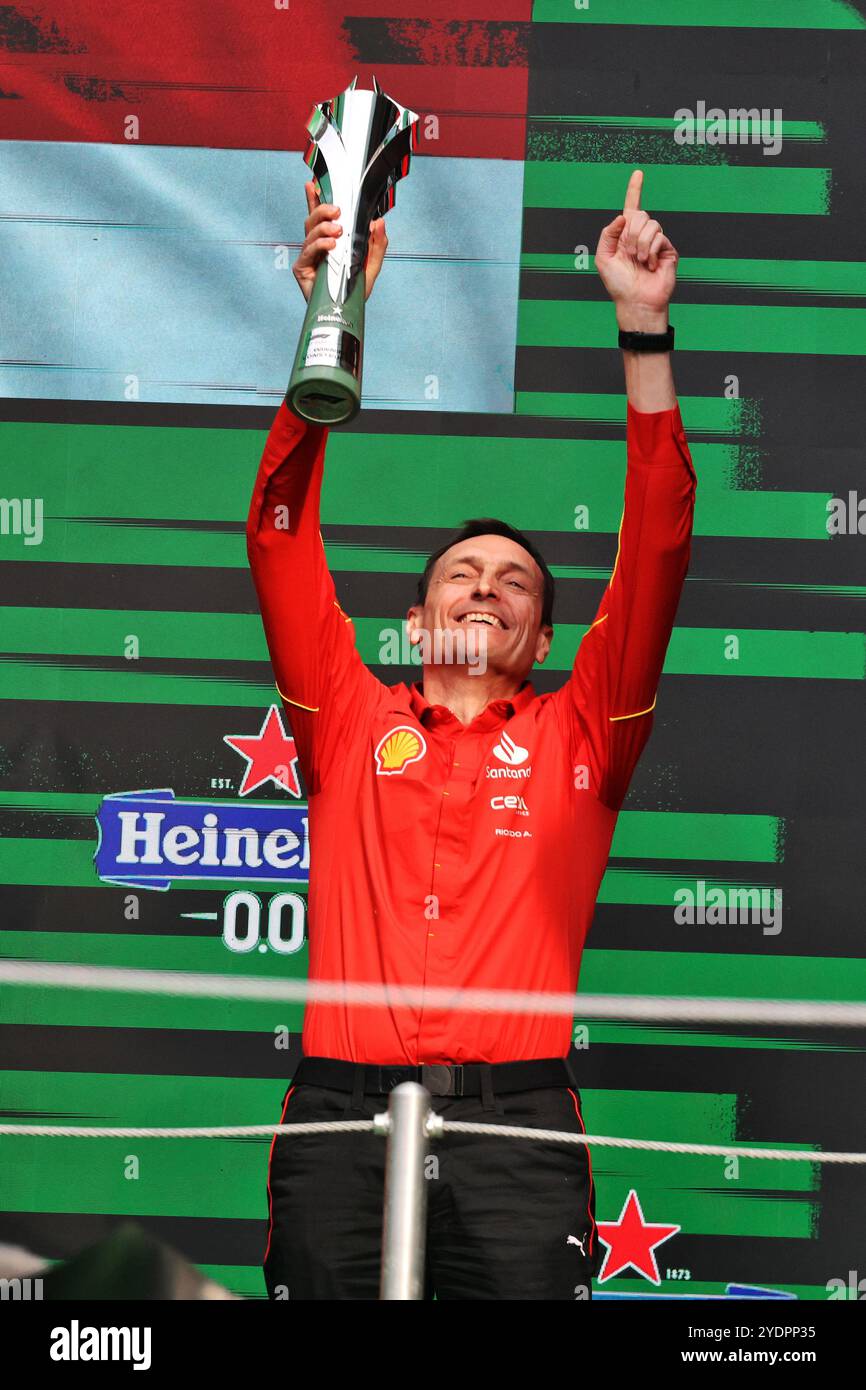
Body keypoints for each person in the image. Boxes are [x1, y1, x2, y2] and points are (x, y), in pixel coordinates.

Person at [247, 169, 696, 1300]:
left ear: (544, 639)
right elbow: (279, 537)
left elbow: (654, 547)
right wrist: (327, 322)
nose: (485, 592)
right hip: (339, 1121)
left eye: (513, 585)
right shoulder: (348, 715)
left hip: (517, 1133)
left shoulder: (583, 729)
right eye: (461, 577)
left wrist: (641, 330)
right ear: (416, 622)